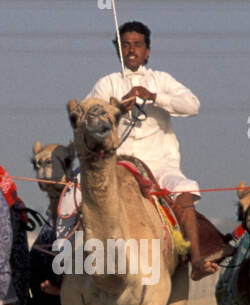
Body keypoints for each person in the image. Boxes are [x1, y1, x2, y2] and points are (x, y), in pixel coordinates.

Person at [83, 20, 219, 279]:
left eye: (137, 45)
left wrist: (154, 97)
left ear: (147, 51)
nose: (131, 50)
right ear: (118, 50)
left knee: (184, 191)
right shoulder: (106, 84)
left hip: (160, 166)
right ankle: (65, 270)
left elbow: (193, 106)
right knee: (76, 196)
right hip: (119, 165)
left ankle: (197, 262)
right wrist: (116, 110)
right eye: (125, 45)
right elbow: (86, 120)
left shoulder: (161, 80)